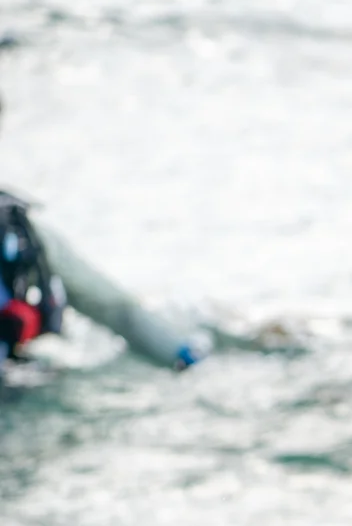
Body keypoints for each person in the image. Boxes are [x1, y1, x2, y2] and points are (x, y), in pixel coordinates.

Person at [0, 96, 207, 370]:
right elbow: (116, 309)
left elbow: (115, 309)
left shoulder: (22, 234)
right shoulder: (20, 232)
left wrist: (179, 354)